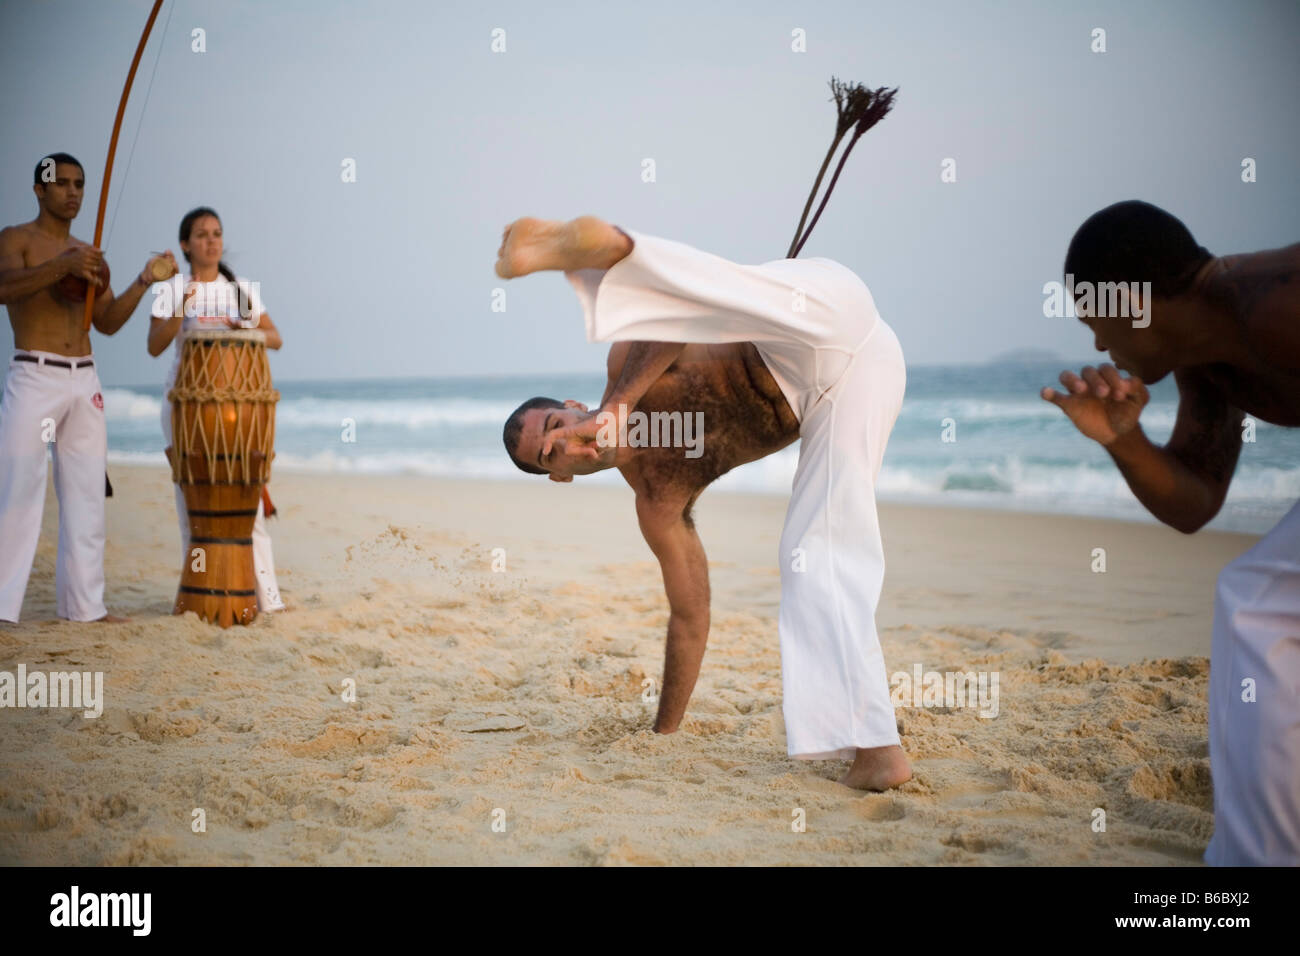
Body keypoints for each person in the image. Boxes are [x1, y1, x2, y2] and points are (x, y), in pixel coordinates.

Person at [497, 215, 909, 790]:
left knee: (709, 291)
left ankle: (608, 249)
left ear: (571, 404)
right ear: (560, 477)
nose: (565, 441)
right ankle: (877, 752)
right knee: (814, 557)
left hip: (808, 318)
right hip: (851, 382)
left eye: (559, 424)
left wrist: (619, 406)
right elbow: (690, 617)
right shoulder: (656, 501)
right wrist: (665, 734)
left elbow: (679, 314)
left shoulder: (624, 365)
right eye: (551, 454)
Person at [1040, 199, 1299, 865]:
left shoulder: (1272, 308)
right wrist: (1125, 442)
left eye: (1093, 318)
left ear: (1129, 304)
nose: (1097, 343)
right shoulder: (1209, 357)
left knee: (1259, 602)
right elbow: (1196, 502)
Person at [0, 152, 171, 623]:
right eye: (62, 184)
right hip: (34, 373)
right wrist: (63, 265)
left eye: (79, 184)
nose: (73, 192)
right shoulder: (16, 240)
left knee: (87, 495)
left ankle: (85, 608)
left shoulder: (90, 255)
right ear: (40, 189)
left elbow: (108, 322)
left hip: (85, 377)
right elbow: (4, 287)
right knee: (19, 488)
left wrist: (143, 280)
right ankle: (2, 607)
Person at [147, 206, 285, 613]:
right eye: (202, 234)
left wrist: (249, 329)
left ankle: (269, 600)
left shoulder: (238, 288)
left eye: (217, 233)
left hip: (238, 410)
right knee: (191, 508)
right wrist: (180, 304)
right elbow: (155, 345)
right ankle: (201, 595)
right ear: (185, 244)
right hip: (186, 409)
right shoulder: (173, 287)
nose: (212, 240)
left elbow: (275, 337)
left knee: (250, 506)